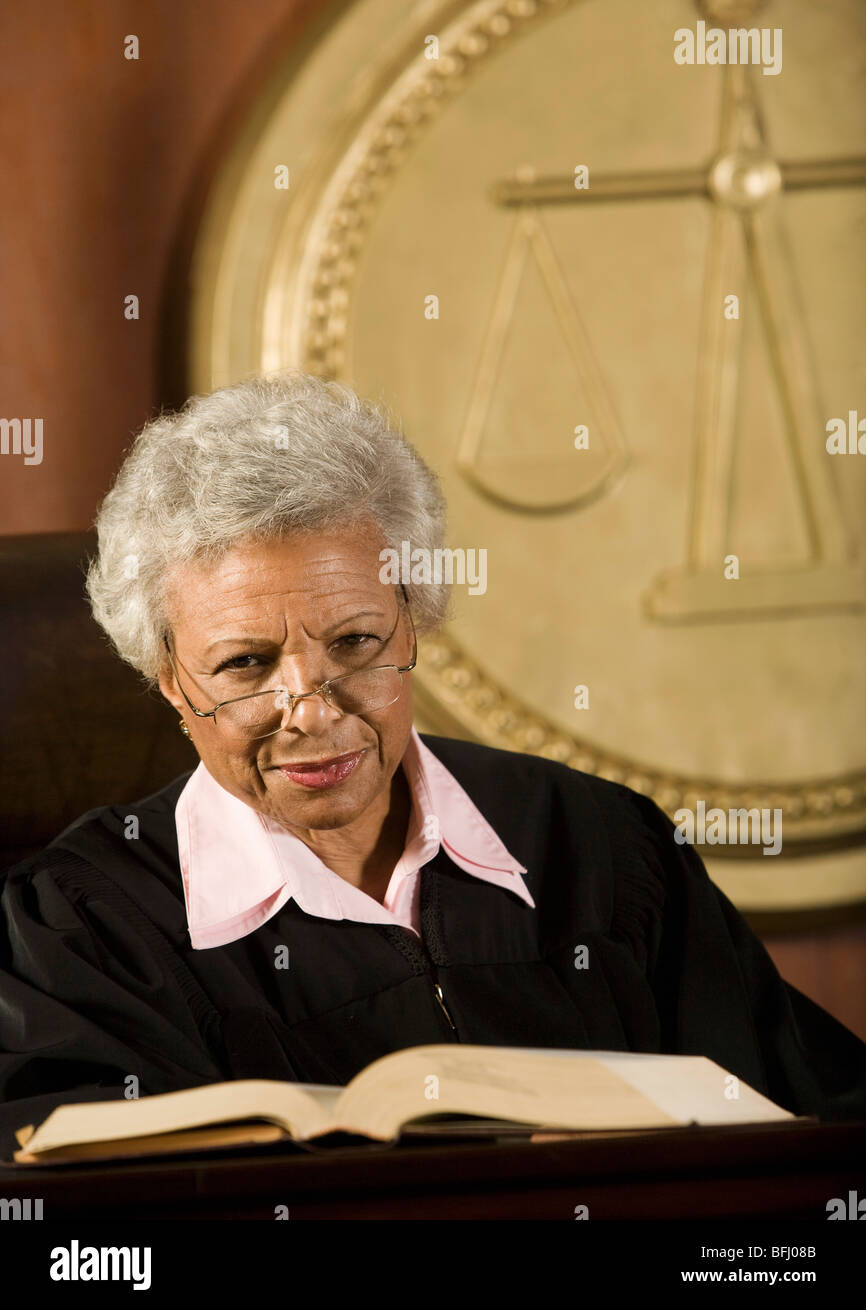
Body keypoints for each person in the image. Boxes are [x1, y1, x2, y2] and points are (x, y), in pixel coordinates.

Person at [1, 370, 864, 1161]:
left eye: (355, 643)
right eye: (245, 665)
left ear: (415, 623)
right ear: (167, 678)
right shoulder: (81, 931)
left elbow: (812, 1132)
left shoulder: (603, 848)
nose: (310, 710)